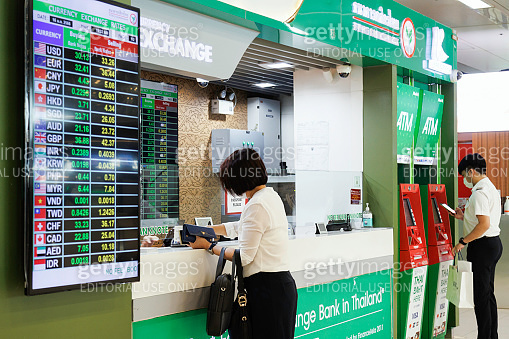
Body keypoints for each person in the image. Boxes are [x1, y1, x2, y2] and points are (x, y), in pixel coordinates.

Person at [189, 148, 298, 339]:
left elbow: (245, 257)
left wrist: (209, 246)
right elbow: (243, 226)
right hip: (279, 288)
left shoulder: (256, 204)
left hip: (266, 291)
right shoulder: (270, 196)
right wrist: (209, 231)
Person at [451, 153, 502, 339]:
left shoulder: (479, 193)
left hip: (482, 247)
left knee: (481, 298)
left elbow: (483, 225)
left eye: (465, 174)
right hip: (492, 244)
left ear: (471, 171)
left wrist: (462, 242)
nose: (465, 179)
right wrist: (464, 216)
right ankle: (491, 335)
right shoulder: (490, 187)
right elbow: (482, 219)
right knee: (488, 295)